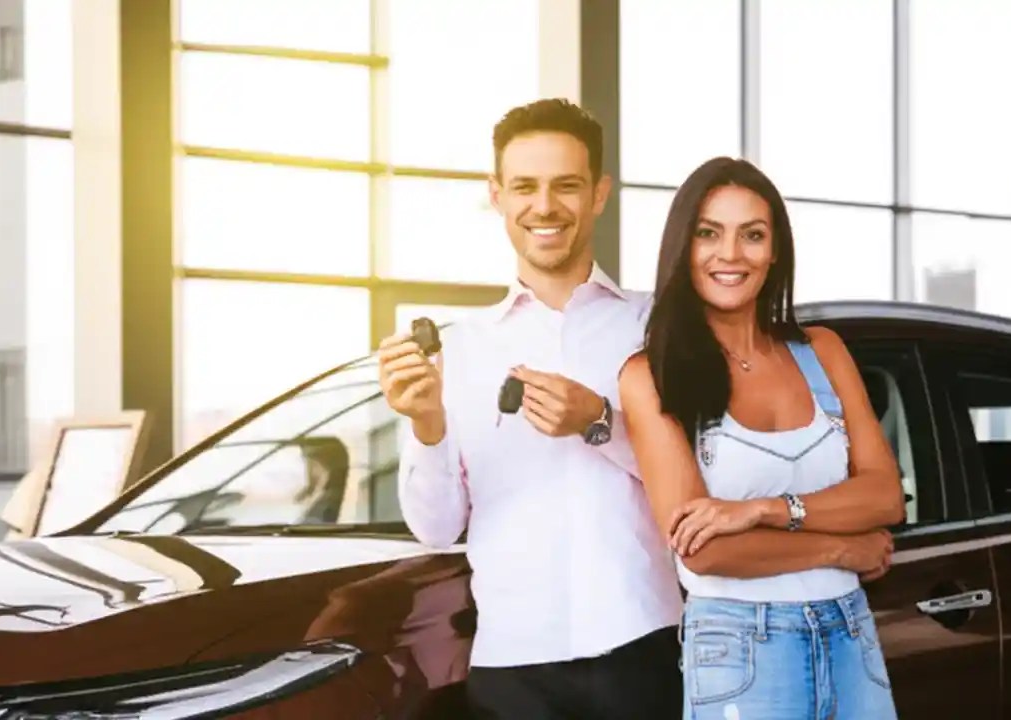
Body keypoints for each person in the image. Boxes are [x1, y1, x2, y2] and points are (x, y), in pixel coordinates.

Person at [377, 98, 684, 719]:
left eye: (566, 185)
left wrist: (601, 422)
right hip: (513, 671)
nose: (544, 206)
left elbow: (698, 479)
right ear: (496, 195)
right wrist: (427, 425)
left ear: (599, 194)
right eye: (524, 187)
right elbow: (436, 529)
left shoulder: (656, 326)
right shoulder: (460, 349)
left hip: (644, 650)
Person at [619, 156, 906, 719]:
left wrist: (760, 510)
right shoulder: (651, 375)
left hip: (850, 631)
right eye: (709, 233)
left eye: (752, 235)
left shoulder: (823, 352)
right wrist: (841, 548)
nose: (730, 254)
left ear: (775, 252)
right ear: (683, 246)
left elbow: (884, 496)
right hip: (741, 645)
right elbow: (706, 550)